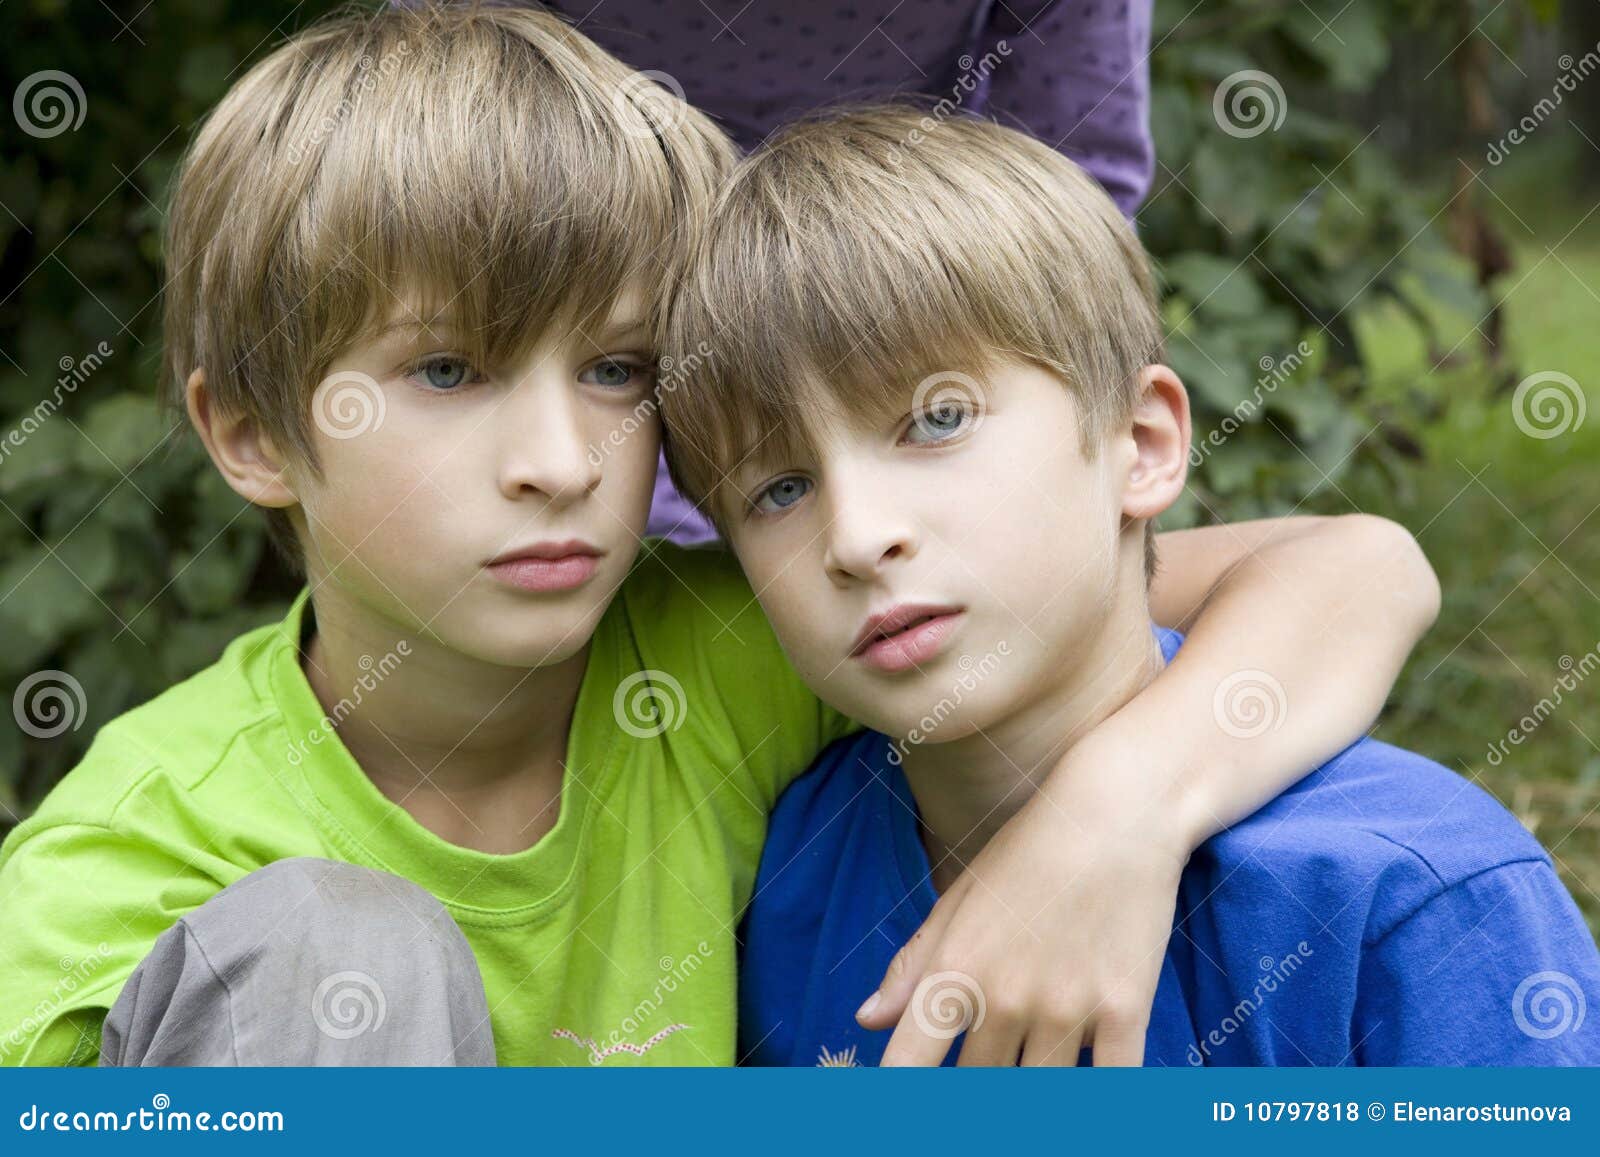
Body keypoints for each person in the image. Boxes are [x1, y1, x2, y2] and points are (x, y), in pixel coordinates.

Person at [1, 7, 1436, 1067]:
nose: (560, 464)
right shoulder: (144, 844)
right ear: (251, 429)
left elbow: (1355, 565)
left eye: (620, 371)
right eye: (449, 372)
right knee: (335, 947)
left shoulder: (741, 652)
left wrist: (1110, 816)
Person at [658, 106, 1600, 1066]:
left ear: (1141, 445)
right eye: (780, 488)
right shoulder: (780, 872)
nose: (856, 538)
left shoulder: (1410, 901)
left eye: (937, 420)